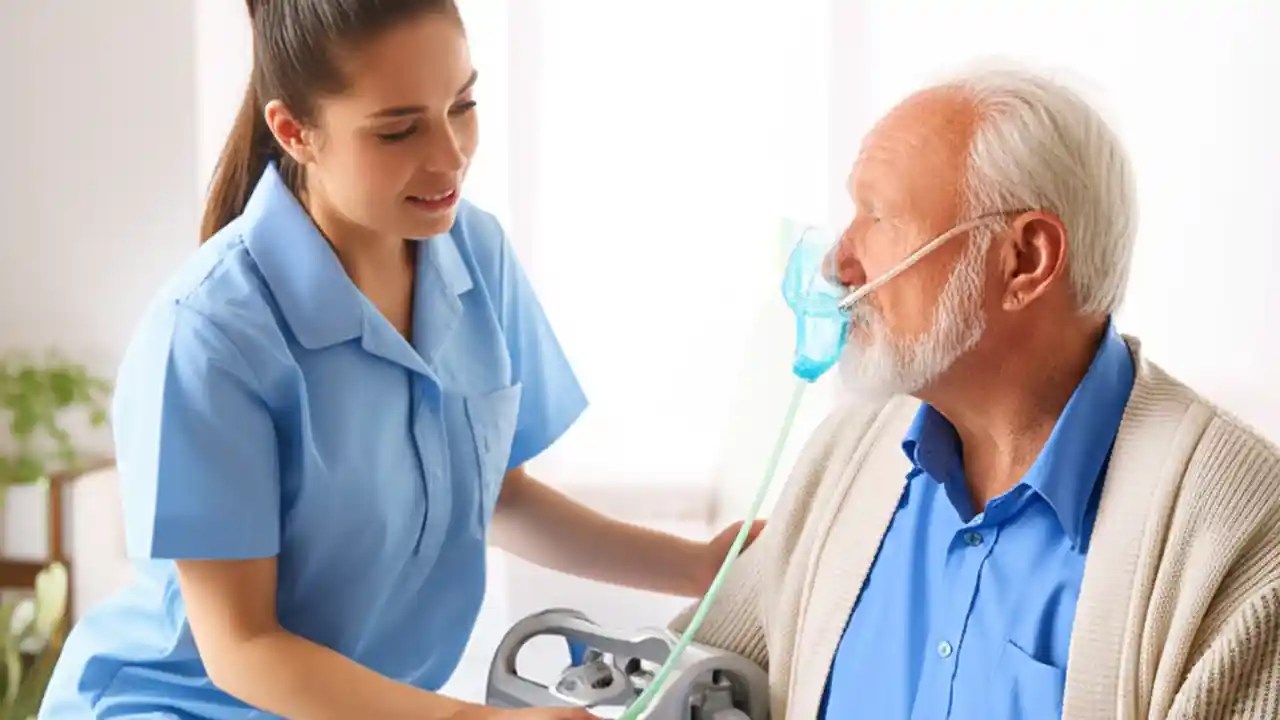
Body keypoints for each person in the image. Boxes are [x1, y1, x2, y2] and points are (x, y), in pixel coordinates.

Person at [39, 2, 760, 718]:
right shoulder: (210, 335)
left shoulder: (476, 254)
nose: (450, 155)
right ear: (294, 131)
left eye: (463, 104)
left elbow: (499, 498)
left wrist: (699, 567)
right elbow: (242, 647)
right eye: (399, 129)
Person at [674, 64, 1280, 720]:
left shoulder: (1238, 533)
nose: (835, 264)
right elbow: (679, 680)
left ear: (1025, 260)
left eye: (878, 218)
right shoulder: (847, 459)